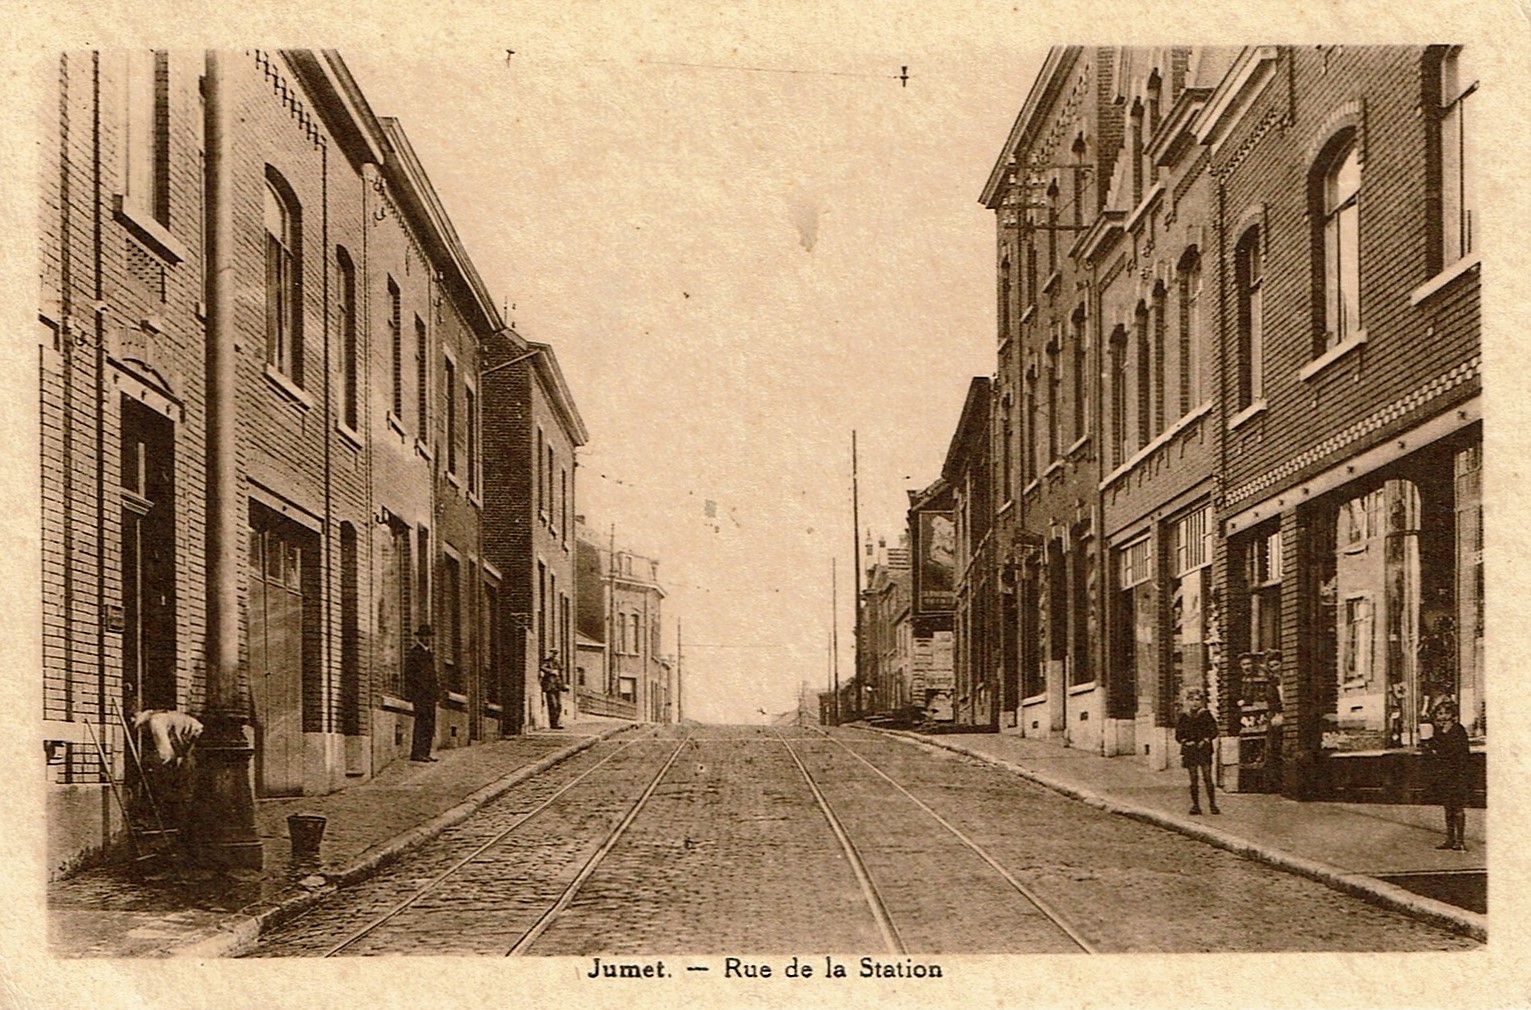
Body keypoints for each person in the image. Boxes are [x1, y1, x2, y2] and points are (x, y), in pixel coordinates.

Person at [1422, 699, 1471, 851]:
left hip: (1456, 774)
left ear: (1452, 715)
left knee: (1457, 807)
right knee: (1448, 807)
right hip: (1444, 774)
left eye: (1446, 713)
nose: (1442, 717)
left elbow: (1457, 753)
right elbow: (1434, 750)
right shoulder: (1439, 731)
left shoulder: (1457, 730)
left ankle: (1460, 840)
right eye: (1439, 713)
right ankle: (1450, 838)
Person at [1174, 687, 1220, 815]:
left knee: (1207, 777)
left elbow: (1214, 731)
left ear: (1201, 702)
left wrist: (1205, 740)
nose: (1195, 703)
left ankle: (1212, 804)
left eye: (1197, 700)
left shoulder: (1206, 715)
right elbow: (1178, 735)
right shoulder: (1184, 716)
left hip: (1203, 749)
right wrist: (1185, 741)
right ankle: (1195, 805)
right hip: (1190, 750)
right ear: (1187, 702)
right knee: (1193, 778)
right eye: (1191, 700)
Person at [406, 625, 439, 761]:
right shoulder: (415, 653)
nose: (427, 639)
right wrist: (417, 692)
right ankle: (417, 753)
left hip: (429, 696)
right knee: (421, 722)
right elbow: (411, 675)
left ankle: (426, 752)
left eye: (429, 636)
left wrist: (435, 693)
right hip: (420, 695)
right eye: (424, 636)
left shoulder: (429, 653)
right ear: (419, 637)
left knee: (429, 723)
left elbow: (432, 676)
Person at [539, 651, 567, 729]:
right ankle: (553, 724)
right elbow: (542, 668)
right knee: (553, 705)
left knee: (559, 706)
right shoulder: (547, 662)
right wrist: (551, 671)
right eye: (553, 653)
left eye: (556, 654)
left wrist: (563, 685)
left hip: (557, 686)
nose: (554, 655)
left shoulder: (557, 663)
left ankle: (556, 722)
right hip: (550, 687)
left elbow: (561, 674)